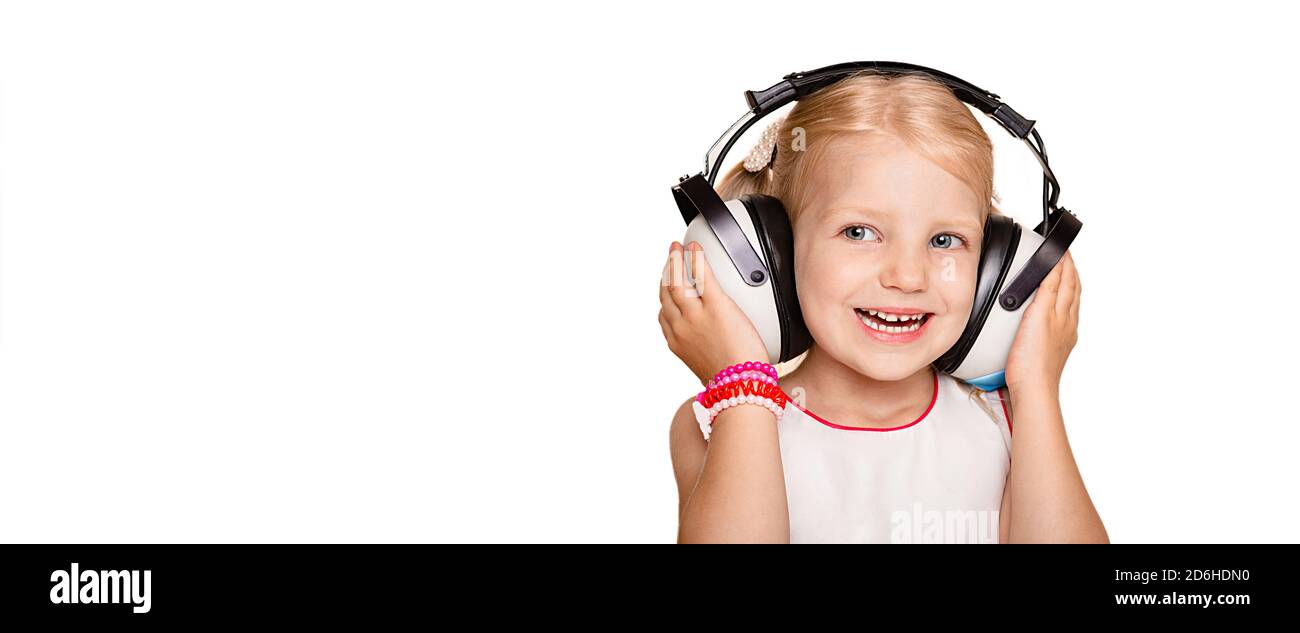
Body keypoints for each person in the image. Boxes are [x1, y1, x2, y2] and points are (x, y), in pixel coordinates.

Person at [658, 71, 1107, 543]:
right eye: (859, 232)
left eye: (944, 240)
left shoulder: (1008, 420)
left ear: (998, 268)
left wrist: (1037, 388)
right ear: (779, 251)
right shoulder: (718, 419)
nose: (907, 277)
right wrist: (741, 381)